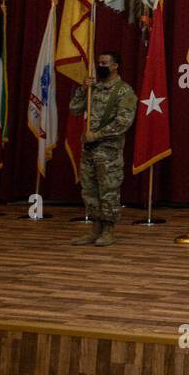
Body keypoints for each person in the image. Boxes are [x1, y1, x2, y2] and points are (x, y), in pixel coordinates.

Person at [68, 51, 136, 246]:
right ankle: (94, 228)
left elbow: (124, 122)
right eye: (99, 62)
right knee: (90, 191)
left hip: (108, 152)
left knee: (108, 191)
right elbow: (74, 109)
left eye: (105, 63)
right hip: (89, 149)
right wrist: (83, 89)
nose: (100, 66)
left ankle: (108, 230)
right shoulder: (94, 89)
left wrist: (97, 135)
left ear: (115, 66)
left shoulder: (124, 91)